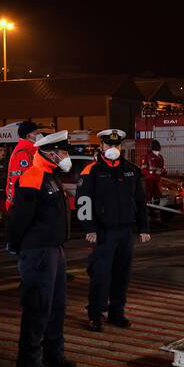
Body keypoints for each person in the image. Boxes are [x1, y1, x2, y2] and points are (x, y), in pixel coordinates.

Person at [8, 130, 76, 367]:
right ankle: (28, 363)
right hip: (38, 252)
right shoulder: (32, 177)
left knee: (56, 307)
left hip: (54, 250)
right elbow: (19, 219)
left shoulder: (49, 176)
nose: (66, 156)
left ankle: (53, 355)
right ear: (50, 153)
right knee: (37, 307)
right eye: (63, 151)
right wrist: (19, 248)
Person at [77, 129, 150, 332]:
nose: (113, 149)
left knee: (122, 275)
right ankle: (96, 315)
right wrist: (90, 228)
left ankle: (117, 313)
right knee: (100, 275)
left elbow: (140, 201)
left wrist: (143, 227)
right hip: (103, 232)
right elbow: (83, 202)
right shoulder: (91, 170)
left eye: (116, 145)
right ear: (101, 146)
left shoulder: (131, 170)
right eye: (109, 145)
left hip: (125, 232)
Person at [5, 120, 45, 210]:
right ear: (28, 135)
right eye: (37, 133)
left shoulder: (31, 150)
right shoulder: (23, 152)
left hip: (27, 200)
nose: (40, 136)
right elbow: (22, 180)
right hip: (22, 202)